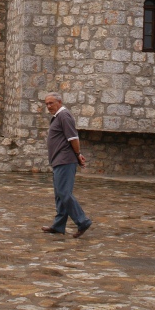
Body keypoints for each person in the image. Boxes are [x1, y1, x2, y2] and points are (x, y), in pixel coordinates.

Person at [41, 93, 92, 238]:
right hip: (59, 160)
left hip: (65, 160)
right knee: (59, 193)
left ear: (59, 102)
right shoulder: (58, 117)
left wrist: (77, 154)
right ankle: (58, 225)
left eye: (51, 103)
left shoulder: (64, 116)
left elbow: (73, 138)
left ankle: (82, 221)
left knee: (64, 192)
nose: (49, 106)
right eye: (47, 104)